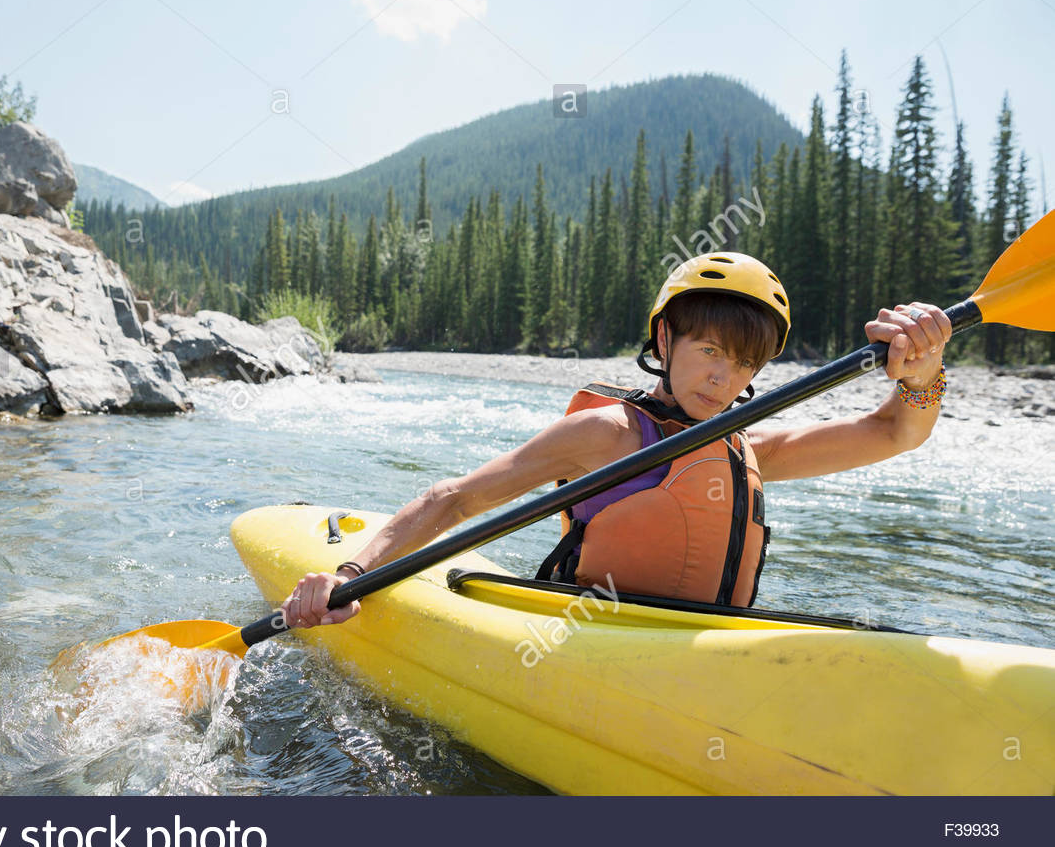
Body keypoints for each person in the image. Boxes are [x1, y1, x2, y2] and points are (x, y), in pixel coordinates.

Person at [281, 252, 952, 628]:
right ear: (665, 340)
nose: (725, 378)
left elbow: (894, 432)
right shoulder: (605, 433)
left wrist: (922, 375)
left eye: (746, 363)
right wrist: (350, 575)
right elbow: (454, 500)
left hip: (705, 645)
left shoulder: (746, 450)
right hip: (591, 645)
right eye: (711, 350)